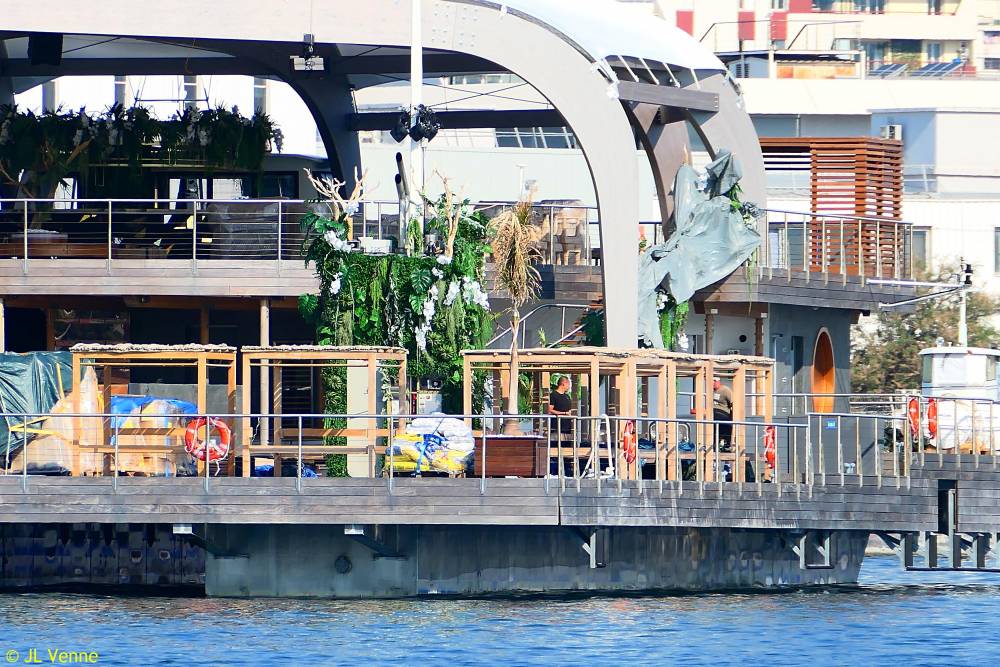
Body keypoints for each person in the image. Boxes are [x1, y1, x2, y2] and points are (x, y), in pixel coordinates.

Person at [713, 377, 734, 452]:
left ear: (718, 381)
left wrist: (732, 417)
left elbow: (733, 403)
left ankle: (726, 446)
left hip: (723, 415)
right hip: (713, 416)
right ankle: (715, 447)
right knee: (714, 432)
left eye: (714, 381)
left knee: (725, 432)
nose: (713, 383)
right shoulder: (711, 391)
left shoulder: (725, 390)